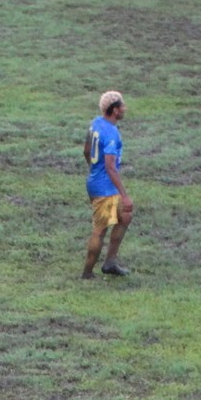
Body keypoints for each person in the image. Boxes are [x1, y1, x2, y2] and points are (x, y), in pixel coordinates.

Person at [81, 90, 133, 279]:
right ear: (115, 110)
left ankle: (110, 262)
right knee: (100, 229)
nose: (124, 109)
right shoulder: (112, 134)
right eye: (122, 106)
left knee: (125, 216)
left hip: (96, 182)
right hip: (105, 188)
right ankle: (87, 273)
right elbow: (111, 167)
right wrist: (125, 195)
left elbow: (87, 151)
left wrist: (94, 171)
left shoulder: (96, 123)